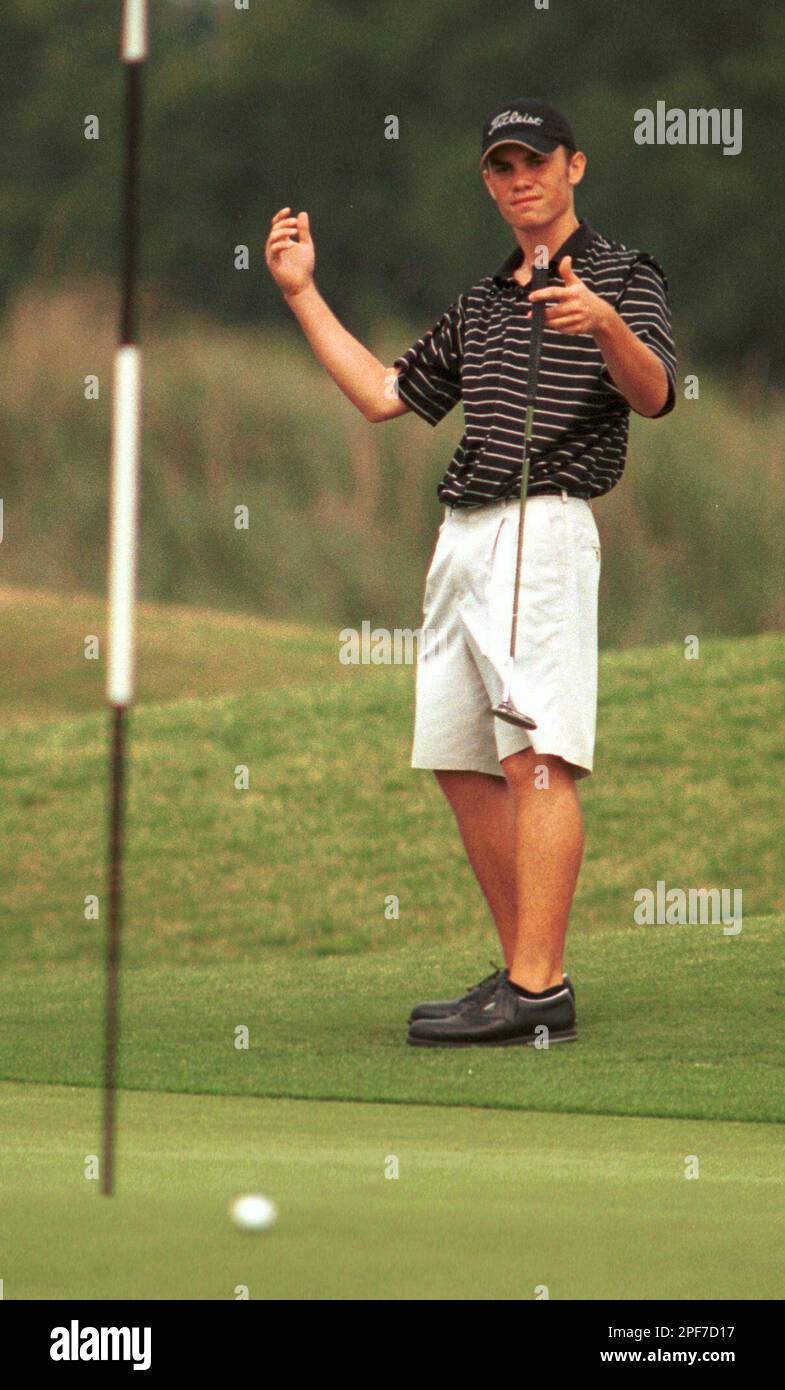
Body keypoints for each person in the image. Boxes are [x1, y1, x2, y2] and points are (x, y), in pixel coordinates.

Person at [264, 97, 677, 1048]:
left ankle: (537, 991)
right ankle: (526, 979)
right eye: (500, 165)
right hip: (462, 535)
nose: (518, 177)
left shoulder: (623, 273)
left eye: (534, 160)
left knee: (536, 762)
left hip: (544, 521)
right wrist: (300, 294)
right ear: (489, 182)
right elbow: (382, 396)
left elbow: (654, 394)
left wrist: (604, 325)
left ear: (574, 166)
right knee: (461, 762)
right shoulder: (481, 303)